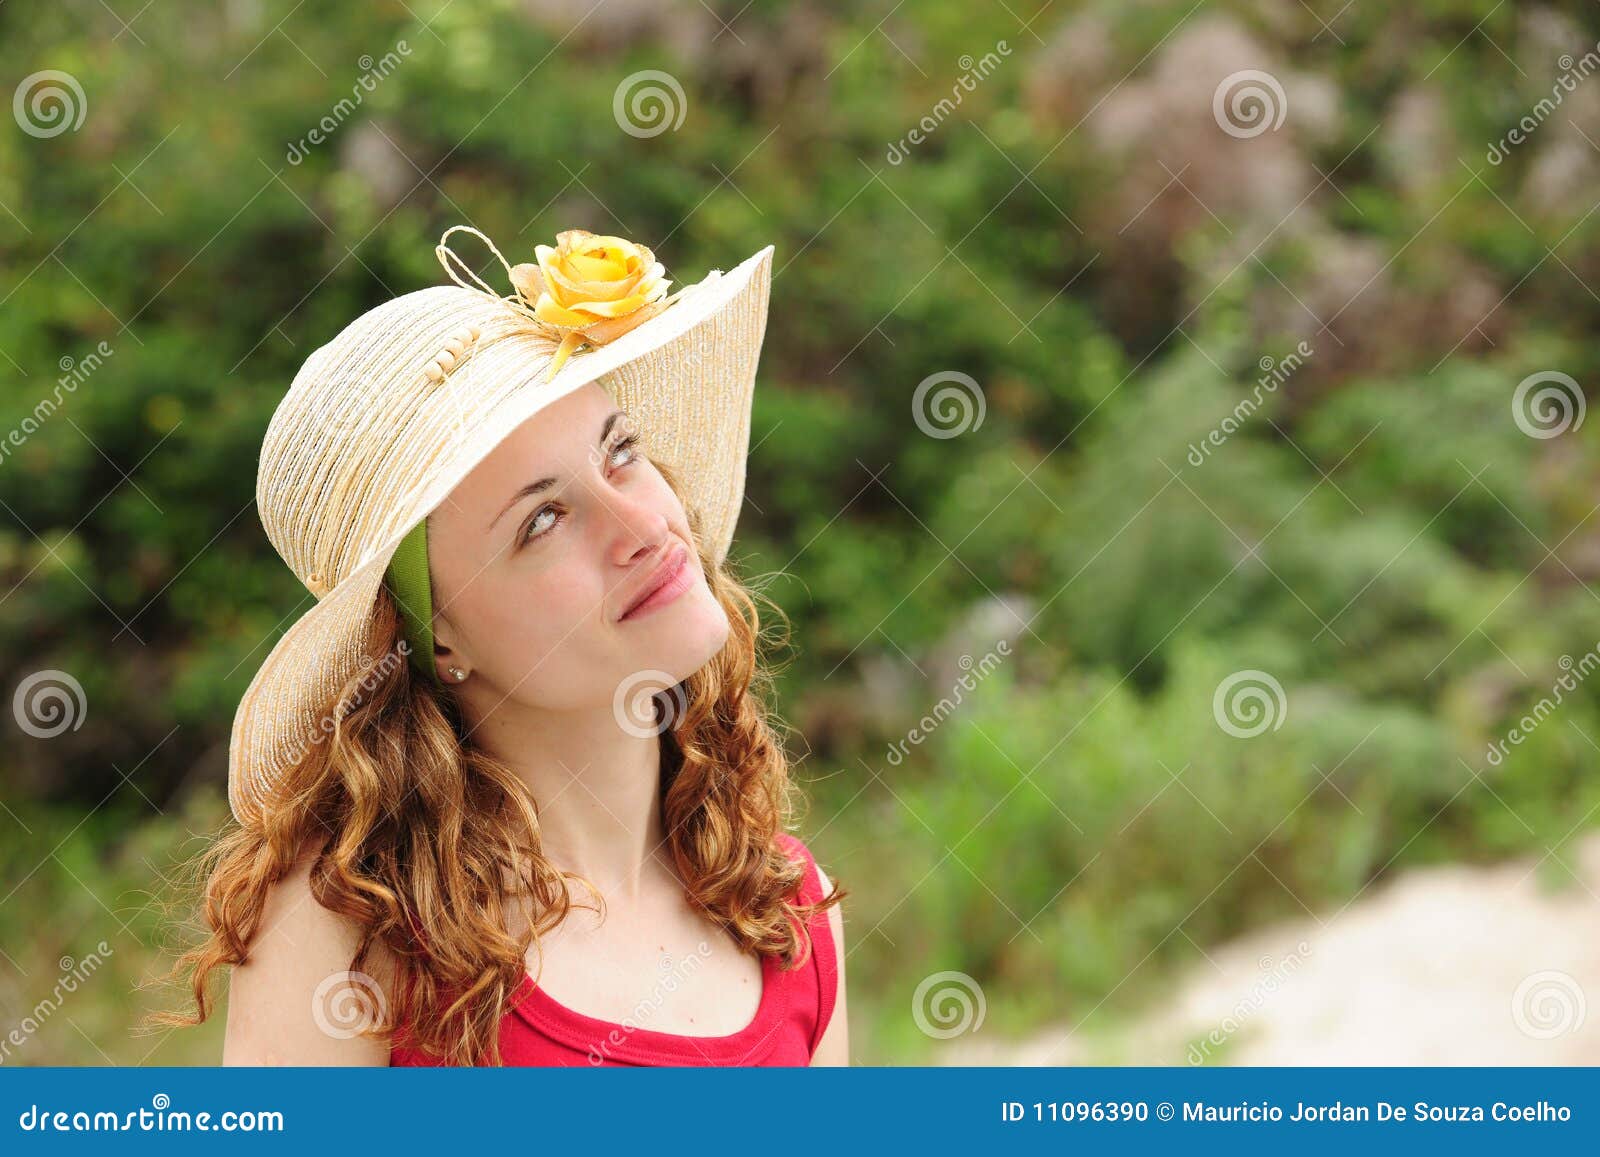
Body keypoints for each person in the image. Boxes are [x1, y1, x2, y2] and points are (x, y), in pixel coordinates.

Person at [154, 223, 847, 1066]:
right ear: (441, 637)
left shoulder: (787, 906)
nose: (642, 526)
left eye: (621, 451)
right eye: (542, 519)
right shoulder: (352, 938)